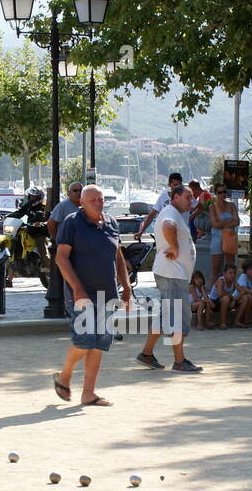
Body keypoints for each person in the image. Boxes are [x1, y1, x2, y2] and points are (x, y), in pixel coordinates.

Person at [53, 184, 133, 405]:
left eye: (101, 199)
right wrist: (77, 288)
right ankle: (64, 377)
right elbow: (61, 258)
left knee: (99, 344)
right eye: (93, 200)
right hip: (81, 295)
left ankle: (89, 393)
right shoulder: (72, 223)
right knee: (84, 342)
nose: (99, 203)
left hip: (107, 294)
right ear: (82, 203)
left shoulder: (111, 223)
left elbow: (118, 256)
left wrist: (126, 288)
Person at [138, 184, 203, 372]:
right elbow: (168, 226)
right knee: (177, 317)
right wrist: (174, 246)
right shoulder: (170, 213)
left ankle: (147, 354)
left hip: (171, 272)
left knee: (166, 316)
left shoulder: (172, 212)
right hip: (172, 273)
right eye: (188, 197)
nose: (192, 201)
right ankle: (179, 361)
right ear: (175, 197)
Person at [137, 172, 185, 237]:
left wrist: (191, 216)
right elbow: (152, 214)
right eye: (175, 185)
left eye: (179, 185)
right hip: (166, 235)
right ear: (169, 185)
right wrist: (141, 231)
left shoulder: (186, 196)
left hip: (182, 235)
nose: (177, 187)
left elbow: (199, 206)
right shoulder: (163, 197)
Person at [208, 184, 238, 284]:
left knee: (230, 266)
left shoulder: (231, 205)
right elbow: (214, 224)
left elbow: (237, 221)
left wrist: (222, 223)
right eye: (220, 192)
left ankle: (231, 290)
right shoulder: (212, 206)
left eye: (224, 192)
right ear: (216, 194)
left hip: (229, 238)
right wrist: (229, 222)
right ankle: (213, 293)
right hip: (217, 238)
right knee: (215, 267)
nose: (222, 194)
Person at [208, 264, 240, 328]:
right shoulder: (221, 280)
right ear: (224, 273)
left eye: (234, 273)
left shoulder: (233, 281)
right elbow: (220, 293)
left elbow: (242, 291)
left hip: (225, 302)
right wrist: (232, 298)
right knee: (226, 298)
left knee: (245, 298)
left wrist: (234, 300)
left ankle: (237, 321)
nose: (233, 275)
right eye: (230, 273)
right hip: (214, 304)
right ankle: (223, 323)